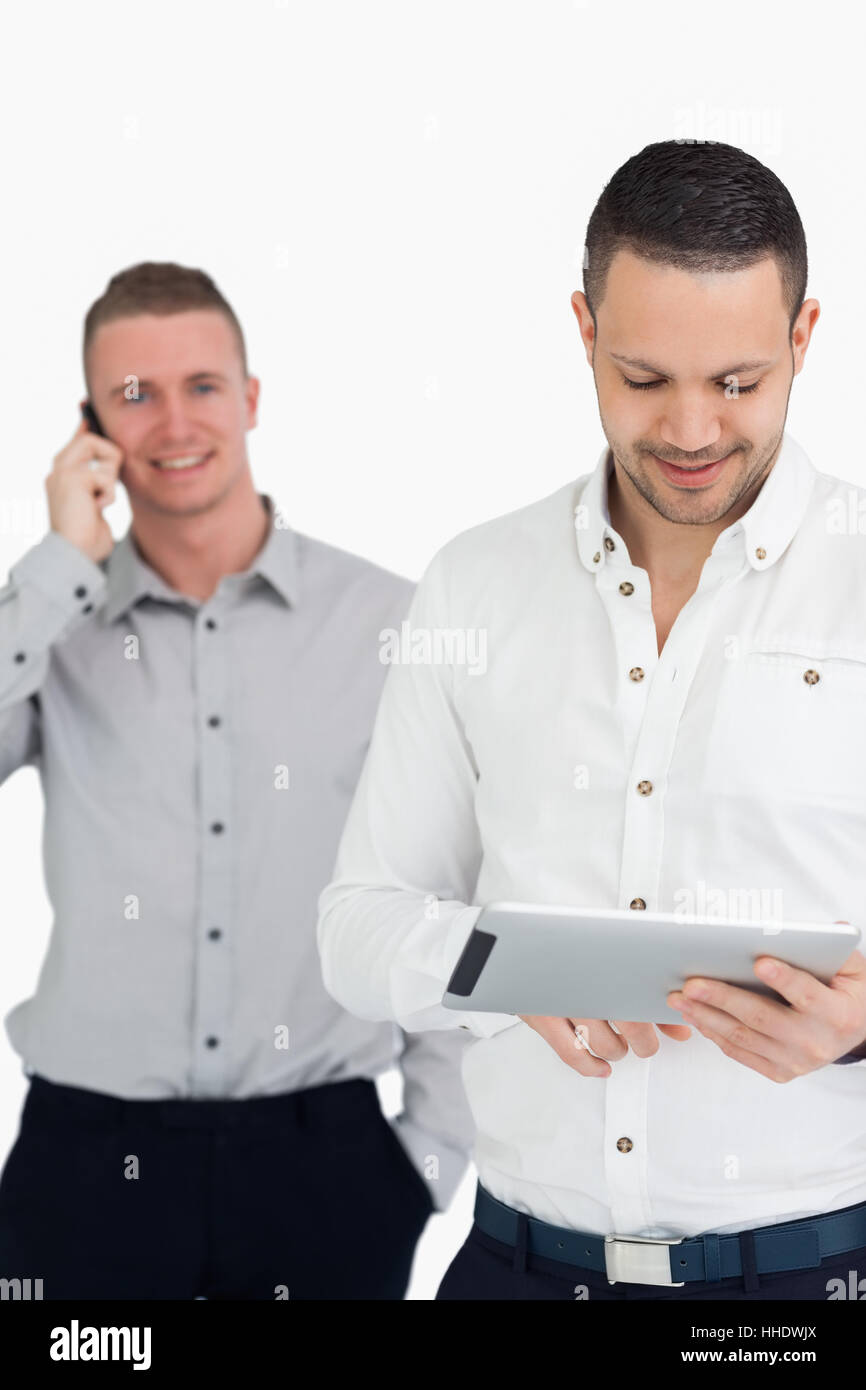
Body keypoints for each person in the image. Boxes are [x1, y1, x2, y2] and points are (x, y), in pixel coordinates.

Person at [317, 140, 866, 1302]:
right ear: (580, 329)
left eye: (736, 382)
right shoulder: (473, 585)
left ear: (803, 339)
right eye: (642, 375)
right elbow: (358, 924)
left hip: (808, 1282)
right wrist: (500, 967)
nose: (689, 430)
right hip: (514, 1265)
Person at [0, 261, 476, 1300]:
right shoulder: (48, 626)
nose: (173, 422)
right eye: (134, 394)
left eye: (202, 386)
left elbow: (454, 890)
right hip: (85, 1166)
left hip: (328, 1165)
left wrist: (424, 1162)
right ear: (89, 427)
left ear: (250, 397)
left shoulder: (389, 624)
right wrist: (55, 564)